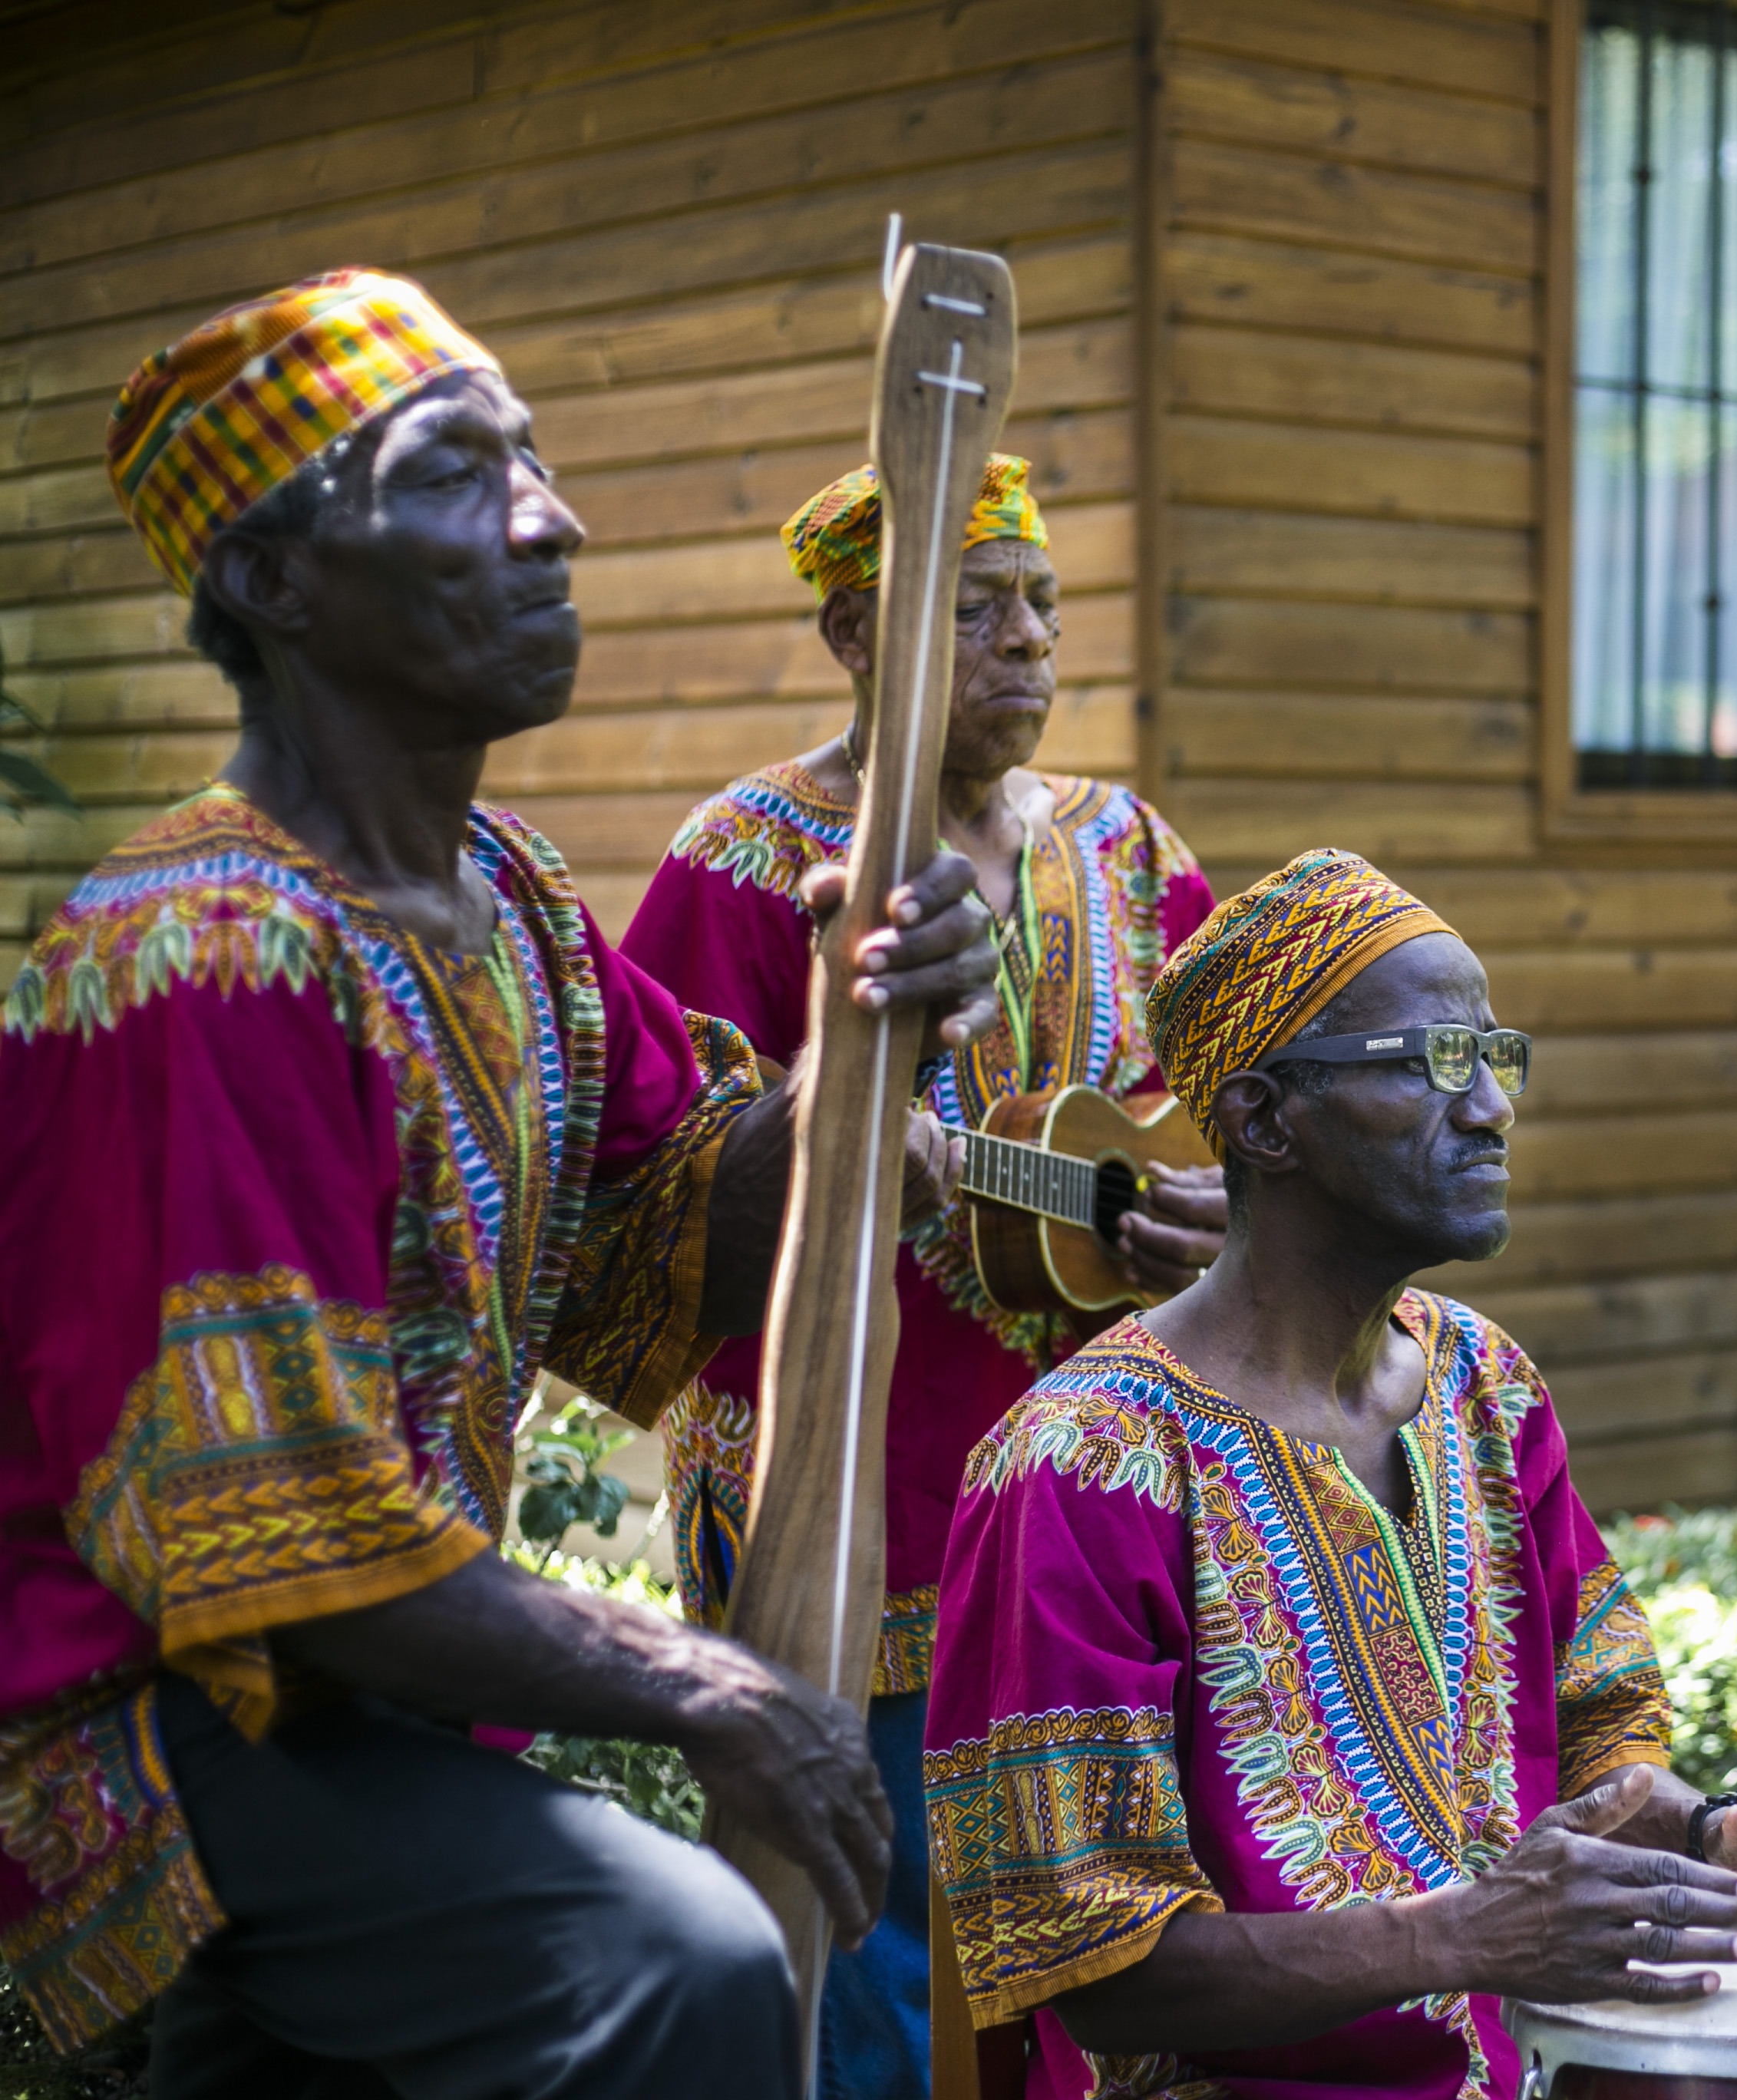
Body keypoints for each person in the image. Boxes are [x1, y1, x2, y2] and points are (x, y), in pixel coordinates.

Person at [0, 269, 1002, 2098]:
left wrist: (874, 1024)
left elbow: (684, 1228)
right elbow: (272, 1548)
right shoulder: (203, 957)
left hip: (358, 1709)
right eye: (457, 474)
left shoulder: (515, 906)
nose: (557, 521)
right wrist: (708, 1687)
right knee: (682, 1964)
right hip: (157, 1734)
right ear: (272, 579)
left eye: (536, 462)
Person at [922, 848, 1737, 2097]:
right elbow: (1088, 1963)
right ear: (1262, 1121)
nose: (1491, 1110)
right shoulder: (1081, 1466)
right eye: (1428, 1064)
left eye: (1494, 1058)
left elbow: (1594, 1732)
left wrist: (1707, 1832)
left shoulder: (1483, 1382)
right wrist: (1461, 1933)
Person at [619, 455, 1221, 2096]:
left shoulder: (1127, 844)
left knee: (1104, 1898)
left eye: (1041, 601)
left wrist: (1203, 1201)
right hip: (855, 1488)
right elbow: (659, 1183)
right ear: (851, 633)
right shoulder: (743, 861)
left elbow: (1236, 1094)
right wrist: (838, 1157)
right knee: (872, 1928)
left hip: (1102, 1489)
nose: (1028, 638)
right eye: (978, 609)